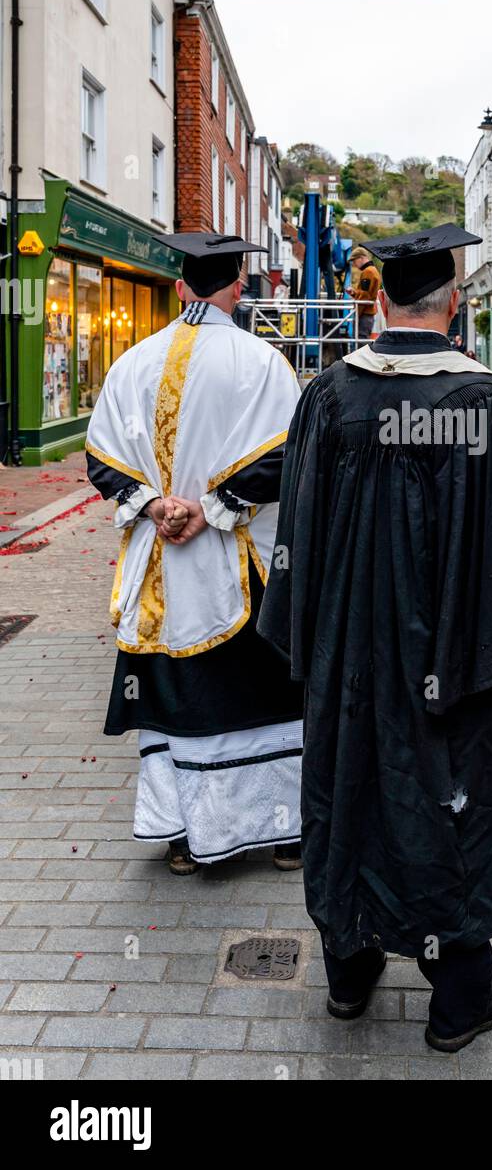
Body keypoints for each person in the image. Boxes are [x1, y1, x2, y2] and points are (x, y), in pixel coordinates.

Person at [258, 223, 492, 1051]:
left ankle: (349, 974)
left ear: (376, 303)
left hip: (349, 661)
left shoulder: (328, 397)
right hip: (448, 669)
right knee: (448, 804)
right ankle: (460, 995)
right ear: (454, 302)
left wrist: (304, 646)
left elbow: (297, 538)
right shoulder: (481, 404)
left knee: (350, 788)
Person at [86, 234, 304, 875]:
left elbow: (101, 456)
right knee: (262, 693)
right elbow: (285, 456)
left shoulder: (131, 362)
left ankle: (185, 836)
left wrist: (157, 508)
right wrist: (210, 511)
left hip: (161, 567)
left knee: (177, 698)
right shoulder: (263, 363)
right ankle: (284, 832)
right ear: (237, 287)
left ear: (181, 286)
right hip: (234, 566)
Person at [347, 245, 381, 341]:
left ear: (361, 258)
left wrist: (357, 314)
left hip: (364, 314)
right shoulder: (372, 270)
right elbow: (366, 293)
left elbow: (365, 296)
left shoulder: (368, 272)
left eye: (354, 260)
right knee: (362, 340)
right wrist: (354, 293)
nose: (354, 264)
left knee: (360, 342)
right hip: (367, 313)